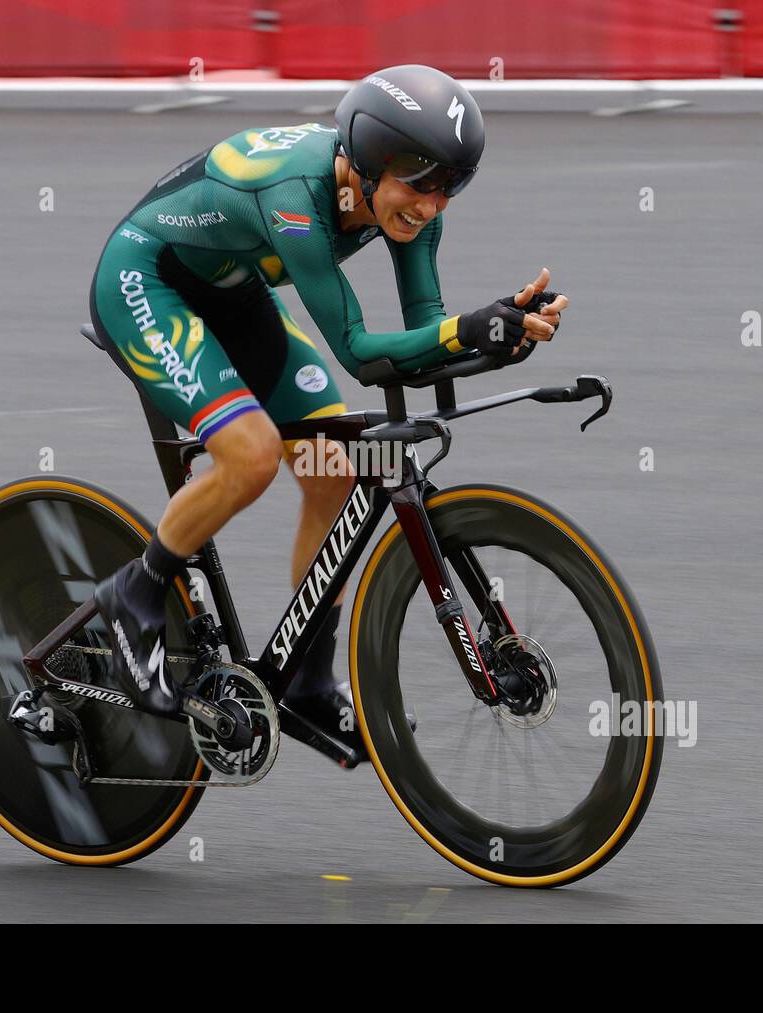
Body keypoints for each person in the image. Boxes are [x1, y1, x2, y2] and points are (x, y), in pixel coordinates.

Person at [88, 64, 567, 753]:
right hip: (144, 282)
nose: (431, 206)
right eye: (420, 184)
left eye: (449, 187)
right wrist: (468, 327)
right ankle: (133, 594)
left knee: (333, 468)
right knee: (250, 457)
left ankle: (307, 681)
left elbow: (423, 334)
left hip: (230, 290)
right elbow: (361, 350)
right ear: (367, 167)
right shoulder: (296, 195)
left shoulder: (406, 206)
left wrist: (502, 336)